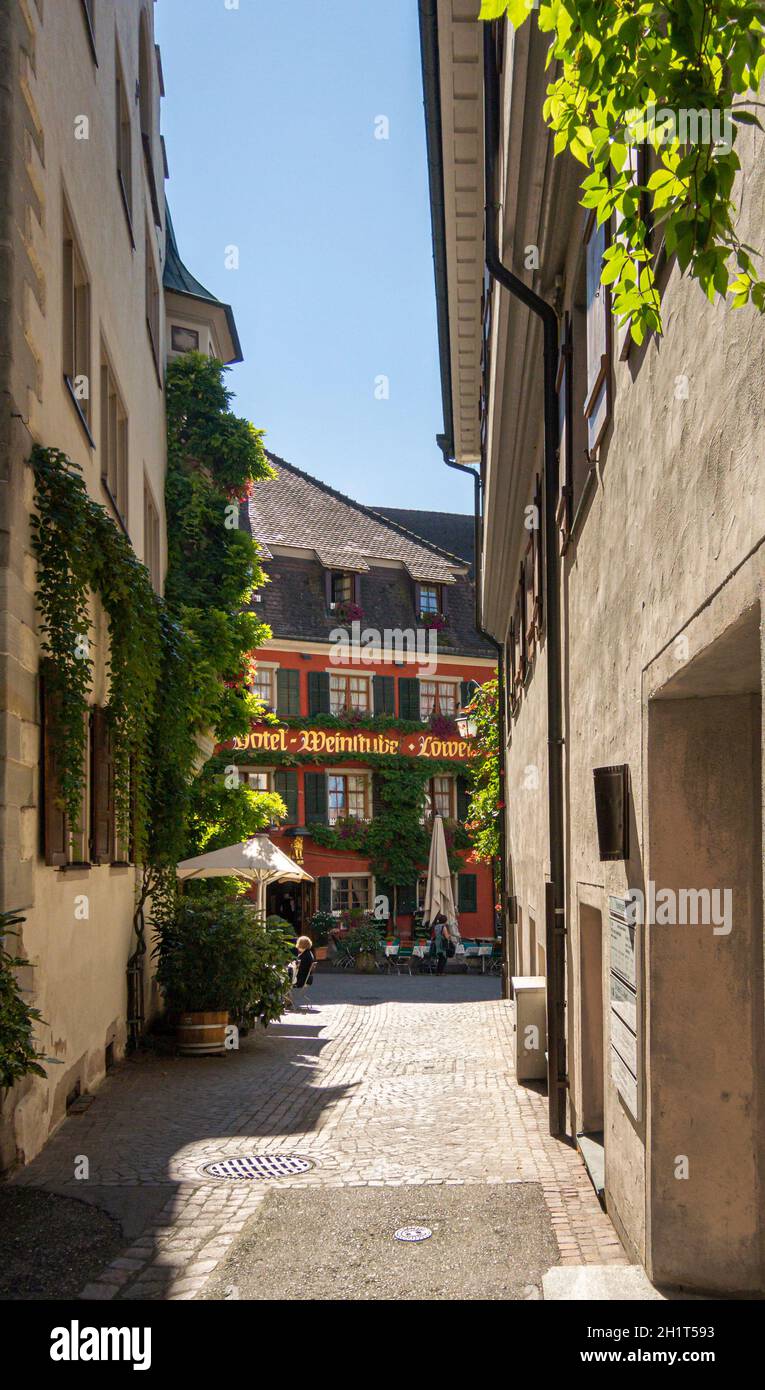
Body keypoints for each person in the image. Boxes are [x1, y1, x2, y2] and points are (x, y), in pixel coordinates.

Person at [292, 935, 316, 1011]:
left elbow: (298, 969)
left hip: (301, 980)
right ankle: (288, 1002)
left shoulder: (304, 956)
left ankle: (288, 1002)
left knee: (283, 982)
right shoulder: (309, 953)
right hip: (307, 979)